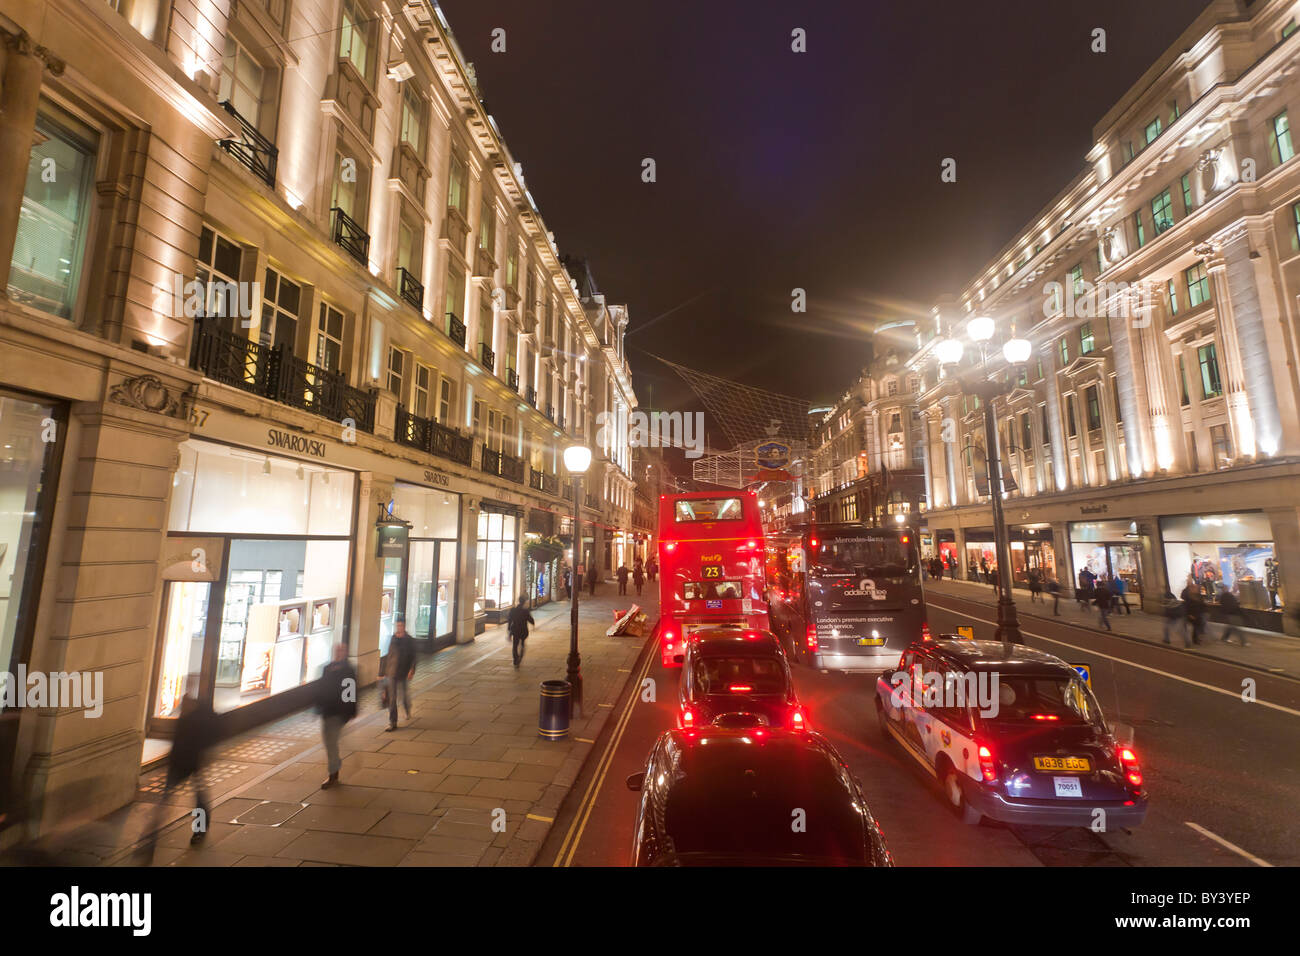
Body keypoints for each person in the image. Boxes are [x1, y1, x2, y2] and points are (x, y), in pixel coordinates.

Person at [146, 690, 216, 856]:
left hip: (191, 764)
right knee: (170, 799)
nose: (182, 708)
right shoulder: (185, 720)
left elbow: (196, 743)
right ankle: (151, 837)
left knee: (197, 798)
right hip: (180, 765)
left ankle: (198, 831)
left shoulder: (195, 721)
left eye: (185, 705)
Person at [316, 643, 358, 789]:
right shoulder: (327, 668)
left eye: (342, 651)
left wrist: (351, 711)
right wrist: (318, 706)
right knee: (328, 742)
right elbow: (321, 689)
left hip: (339, 713)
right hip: (327, 711)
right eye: (337, 651)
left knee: (331, 742)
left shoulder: (348, 670)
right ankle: (335, 766)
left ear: (345, 653)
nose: (339, 653)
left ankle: (333, 774)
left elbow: (351, 691)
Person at [386, 618, 416, 731]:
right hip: (392, 672)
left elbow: (413, 656)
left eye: (401, 625)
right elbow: (389, 655)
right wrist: (384, 673)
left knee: (404, 694)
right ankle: (392, 722)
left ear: (404, 626)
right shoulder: (393, 638)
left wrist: (412, 669)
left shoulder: (409, 640)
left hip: (404, 671)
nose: (399, 627)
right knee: (392, 698)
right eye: (397, 625)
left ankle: (407, 708)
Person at [507, 596, 536, 667]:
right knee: (522, 643)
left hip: (515, 629)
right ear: (524, 602)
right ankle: (520, 656)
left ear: (518, 601)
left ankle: (515, 659)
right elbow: (530, 619)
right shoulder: (525, 611)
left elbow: (510, 620)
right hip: (523, 630)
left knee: (515, 645)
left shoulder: (513, 610)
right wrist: (533, 624)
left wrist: (509, 629)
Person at [1181, 578, 1205, 646]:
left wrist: (1203, 612)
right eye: (1195, 588)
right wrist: (1189, 614)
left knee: (1196, 628)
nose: (1196, 589)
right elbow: (1186, 605)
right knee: (1188, 629)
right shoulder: (1187, 594)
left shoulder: (1198, 596)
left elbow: (1201, 605)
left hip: (1197, 615)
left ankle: (1195, 640)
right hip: (1189, 615)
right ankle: (1188, 643)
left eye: (1196, 588)